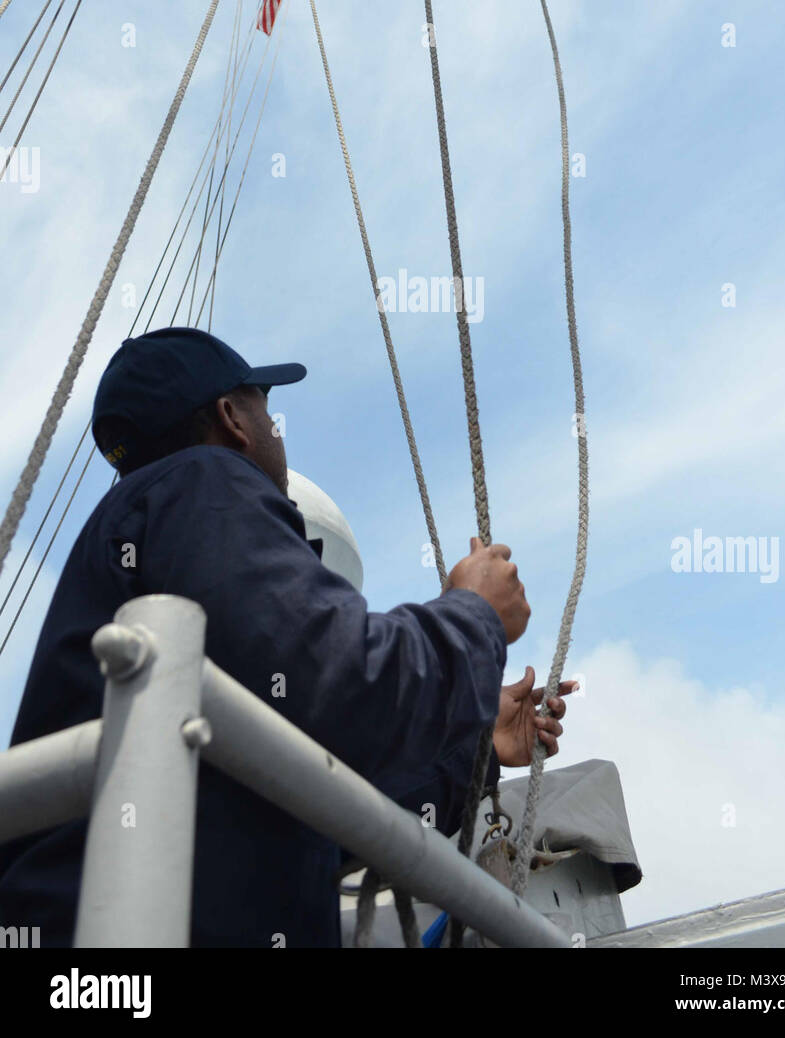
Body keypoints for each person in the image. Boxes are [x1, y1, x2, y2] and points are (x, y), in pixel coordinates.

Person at [0, 327, 572, 947]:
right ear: (231, 418)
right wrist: (475, 615)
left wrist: (477, 748)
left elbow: (315, 788)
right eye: (265, 407)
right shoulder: (203, 482)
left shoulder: (151, 530)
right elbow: (345, 687)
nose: (277, 428)